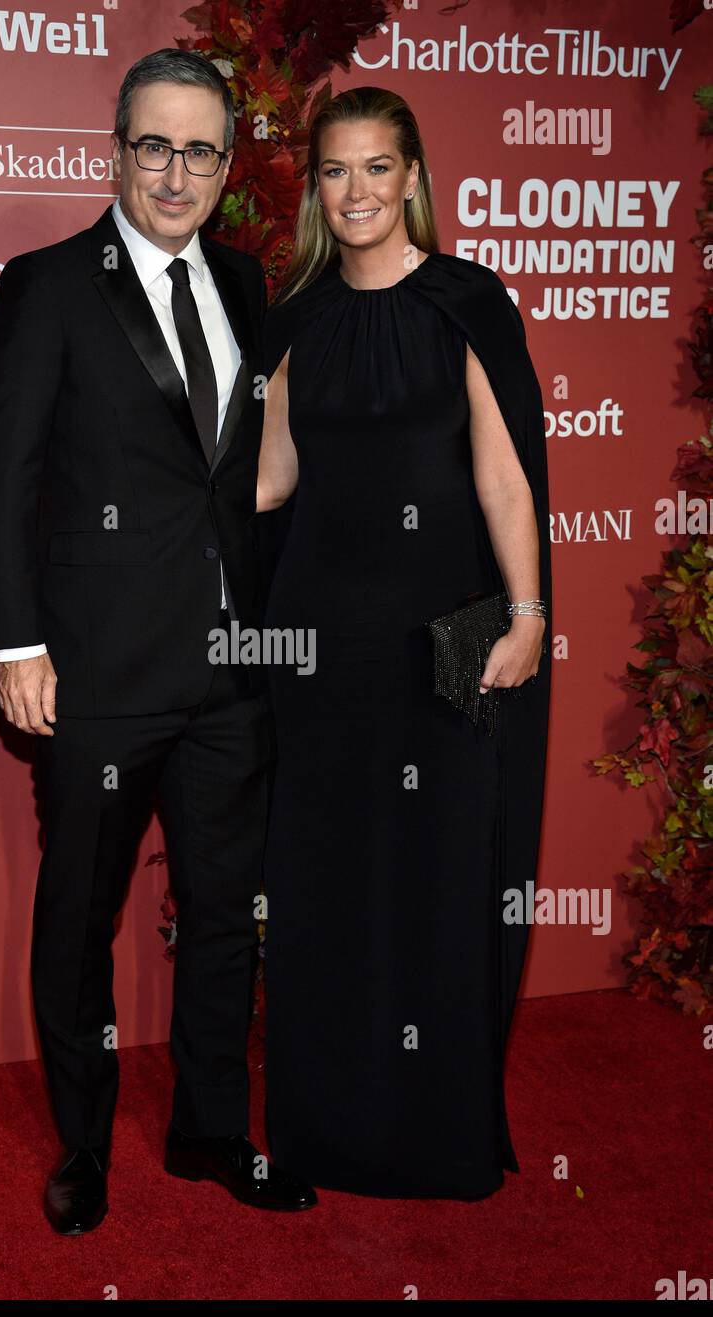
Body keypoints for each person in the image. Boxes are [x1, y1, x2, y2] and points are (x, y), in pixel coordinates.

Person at [0, 48, 316, 1234]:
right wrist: (16, 644)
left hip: (231, 671)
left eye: (202, 149)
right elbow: (3, 480)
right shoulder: (49, 284)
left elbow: (243, 477)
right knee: (79, 913)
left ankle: (211, 1129)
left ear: (227, 164)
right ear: (118, 148)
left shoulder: (244, 281)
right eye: (155, 144)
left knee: (227, 912)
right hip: (98, 671)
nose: (177, 171)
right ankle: (81, 1144)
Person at [256, 87, 553, 1200]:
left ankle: (434, 1135)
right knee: (327, 888)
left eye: (378, 168)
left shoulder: (465, 303)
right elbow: (272, 477)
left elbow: (501, 480)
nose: (358, 191)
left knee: (436, 882)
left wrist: (527, 615)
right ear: (315, 192)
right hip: (320, 647)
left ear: (414, 177)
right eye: (336, 171)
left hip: (445, 641)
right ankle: (329, 1133)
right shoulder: (297, 318)